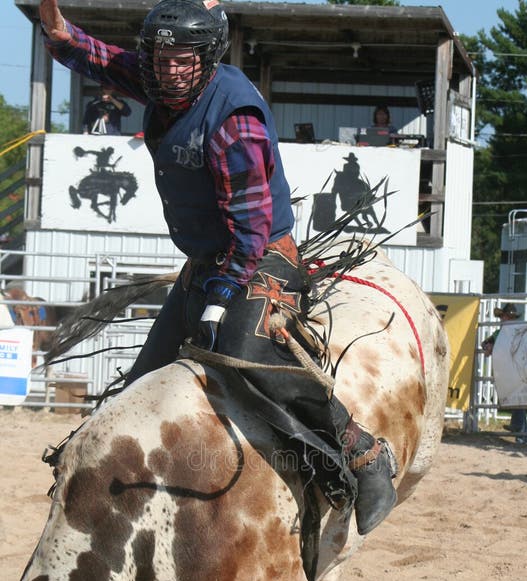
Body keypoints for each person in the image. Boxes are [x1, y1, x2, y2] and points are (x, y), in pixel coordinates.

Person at [39, 0, 397, 535]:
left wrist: (220, 298)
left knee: (248, 357)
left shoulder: (234, 120)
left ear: (205, 58)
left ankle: (362, 453)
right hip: (206, 261)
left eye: (181, 59)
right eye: (160, 58)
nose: (169, 69)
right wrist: (62, 33)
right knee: (142, 382)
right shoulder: (165, 81)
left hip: (260, 256)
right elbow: (105, 61)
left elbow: (251, 231)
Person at [481, 302, 527, 445]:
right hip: (509, 371)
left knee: (518, 399)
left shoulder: (517, 332)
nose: (503, 319)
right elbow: (484, 343)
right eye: (502, 317)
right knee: (517, 399)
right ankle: (520, 433)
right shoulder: (500, 333)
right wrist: (489, 345)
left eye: (505, 317)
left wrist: (491, 346)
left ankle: (518, 430)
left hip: (516, 370)